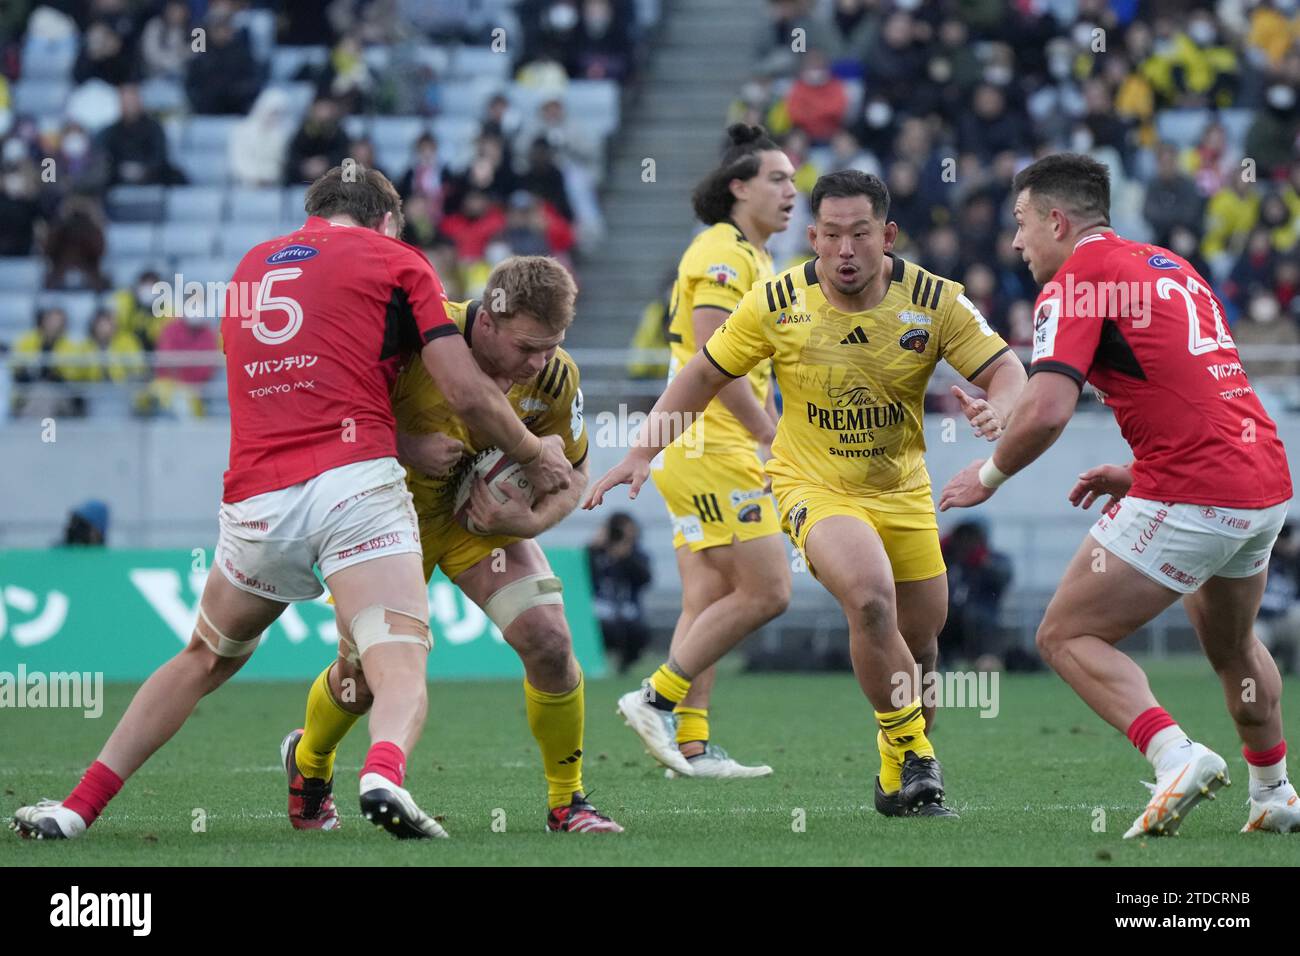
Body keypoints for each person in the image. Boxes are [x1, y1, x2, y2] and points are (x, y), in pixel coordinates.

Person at [11, 165, 574, 843]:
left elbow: (281, 382)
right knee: (398, 655)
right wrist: (529, 451)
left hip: (258, 495)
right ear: (388, 220)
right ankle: (383, 772)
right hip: (355, 488)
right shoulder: (396, 260)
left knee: (203, 658)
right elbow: (466, 392)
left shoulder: (248, 269)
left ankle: (77, 807)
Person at [587, 169, 1026, 817]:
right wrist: (642, 449)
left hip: (902, 489)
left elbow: (1008, 370)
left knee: (923, 647)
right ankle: (920, 761)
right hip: (810, 485)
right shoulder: (776, 299)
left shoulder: (934, 301)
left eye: (862, 234)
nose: (846, 250)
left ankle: (895, 773)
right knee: (869, 599)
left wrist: (1003, 409)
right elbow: (703, 373)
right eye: (833, 236)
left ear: (888, 235)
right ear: (814, 238)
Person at [938, 152, 1299, 837]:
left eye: (1021, 223)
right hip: (1261, 485)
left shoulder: (1078, 281)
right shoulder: (1171, 268)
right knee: (1235, 649)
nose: (1015, 241)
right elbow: (1194, 394)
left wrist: (987, 475)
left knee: (1066, 633)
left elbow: (1047, 411)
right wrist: (1133, 475)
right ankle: (1274, 790)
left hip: (1195, 491)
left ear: (1056, 219)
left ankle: (1174, 754)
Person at [283, 255, 622, 834]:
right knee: (361, 680)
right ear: (487, 320)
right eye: (527, 347)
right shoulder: (414, 332)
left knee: (549, 640)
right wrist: (405, 444)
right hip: (382, 523)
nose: (539, 362)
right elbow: (318, 414)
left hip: (474, 530)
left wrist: (527, 523)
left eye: (551, 346)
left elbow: (576, 475)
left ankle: (568, 802)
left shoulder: (555, 377)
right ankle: (309, 760)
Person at [616, 124, 796, 780]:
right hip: (711, 444)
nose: (791, 192)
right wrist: (771, 432)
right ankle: (653, 699)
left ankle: (689, 745)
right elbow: (711, 357)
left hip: (691, 446)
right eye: (777, 179)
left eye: (793, 181)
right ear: (737, 187)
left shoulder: (752, 255)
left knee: (708, 594)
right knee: (770, 590)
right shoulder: (725, 253)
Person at [588, 513, 653, 675]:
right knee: (598, 629)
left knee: (638, 631)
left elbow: (645, 579)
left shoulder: (637, 555)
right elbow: (581, 577)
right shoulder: (595, 554)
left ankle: (625, 665)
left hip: (627, 611)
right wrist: (593, 548)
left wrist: (626, 555)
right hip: (599, 610)